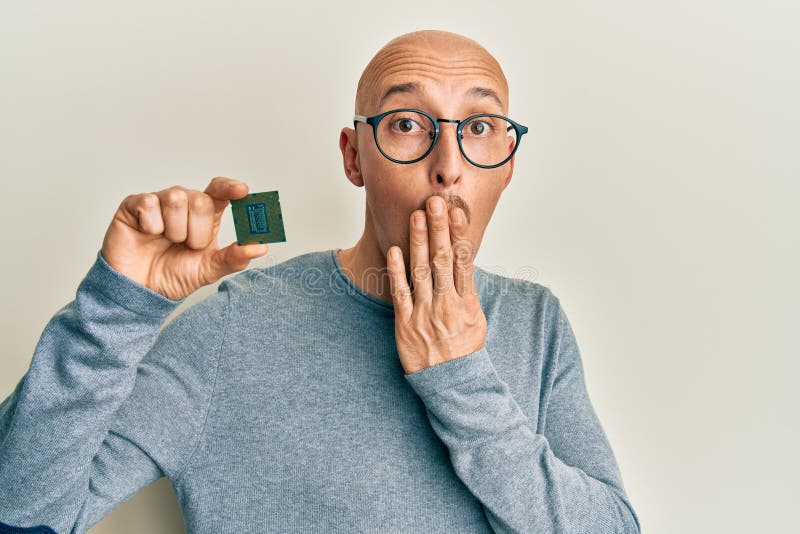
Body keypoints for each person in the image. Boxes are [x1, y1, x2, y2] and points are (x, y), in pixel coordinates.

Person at [0, 29, 641, 533]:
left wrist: (459, 379)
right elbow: (21, 511)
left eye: (478, 128)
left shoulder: (536, 321)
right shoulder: (232, 327)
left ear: (506, 166)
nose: (448, 167)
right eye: (408, 124)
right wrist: (114, 312)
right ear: (353, 157)